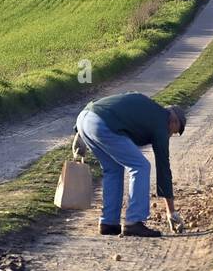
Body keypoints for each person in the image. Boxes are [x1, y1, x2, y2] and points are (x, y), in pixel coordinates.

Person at [74, 92, 186, 237]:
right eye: (173, 132)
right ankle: (134, 222)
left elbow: (112, 106)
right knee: (141, 166)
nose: (170, 135)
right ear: (174, 121)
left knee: (113, 169)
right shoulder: (162, 123)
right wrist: (171, 211)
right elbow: (163, 167)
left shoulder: (149, 109)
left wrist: (80, 130)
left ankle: (109, 223)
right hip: (101, 123)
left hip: (84, 119)